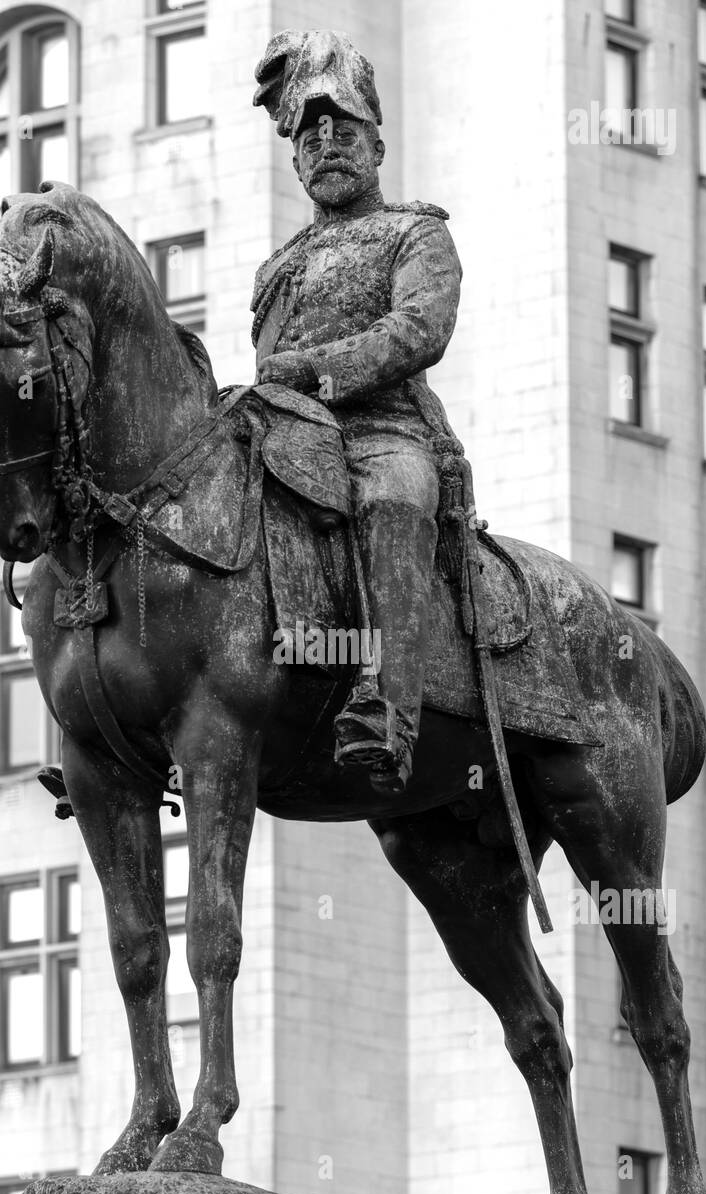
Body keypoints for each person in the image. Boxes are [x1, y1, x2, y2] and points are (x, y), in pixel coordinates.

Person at [252, 29, 463, 792]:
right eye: (310, 134)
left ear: (376, 145)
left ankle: (388, 706)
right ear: (296, 157)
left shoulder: (416, 232)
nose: (327, 143)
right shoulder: (277, 266)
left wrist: (317, 371)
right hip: (284, 435)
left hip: (383, 431)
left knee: (396, 500)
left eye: (344, 128)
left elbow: (418, 331)